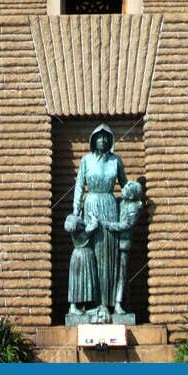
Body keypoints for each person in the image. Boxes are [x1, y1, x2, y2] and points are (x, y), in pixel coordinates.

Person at [72, 123, 125, 319]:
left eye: (105, 137)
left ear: (110, 140)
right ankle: (90, 302)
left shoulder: (116, 161)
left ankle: (109, 303)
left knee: (108, 255)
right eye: (99, 137)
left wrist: (130, 205)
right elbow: (79, 186)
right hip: (91, 206)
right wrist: (76, 213)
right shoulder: (86, 160)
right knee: (90, 255)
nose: (102, 140)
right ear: (93, 140)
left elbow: (125, 186)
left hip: (110, 207)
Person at [108, 180, 144, 314]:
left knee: (121, 275)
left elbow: (126, 225)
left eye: (126, 188)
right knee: (113, 272)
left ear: (131, 195)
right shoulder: (121, 202)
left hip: (123, 244)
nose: (123, 189)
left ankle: (118, 303)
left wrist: (108, 225)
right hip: (113, 242)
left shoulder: (133, 207)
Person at [63, 214, 97, 321]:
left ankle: (78, 305)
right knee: (81, 281)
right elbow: (94, 224)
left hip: (76, 256)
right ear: (78, 225)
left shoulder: (74, 232)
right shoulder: (84, 232)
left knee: (77, 282)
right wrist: (92, 216)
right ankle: (74, 307)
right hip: (84, 256)